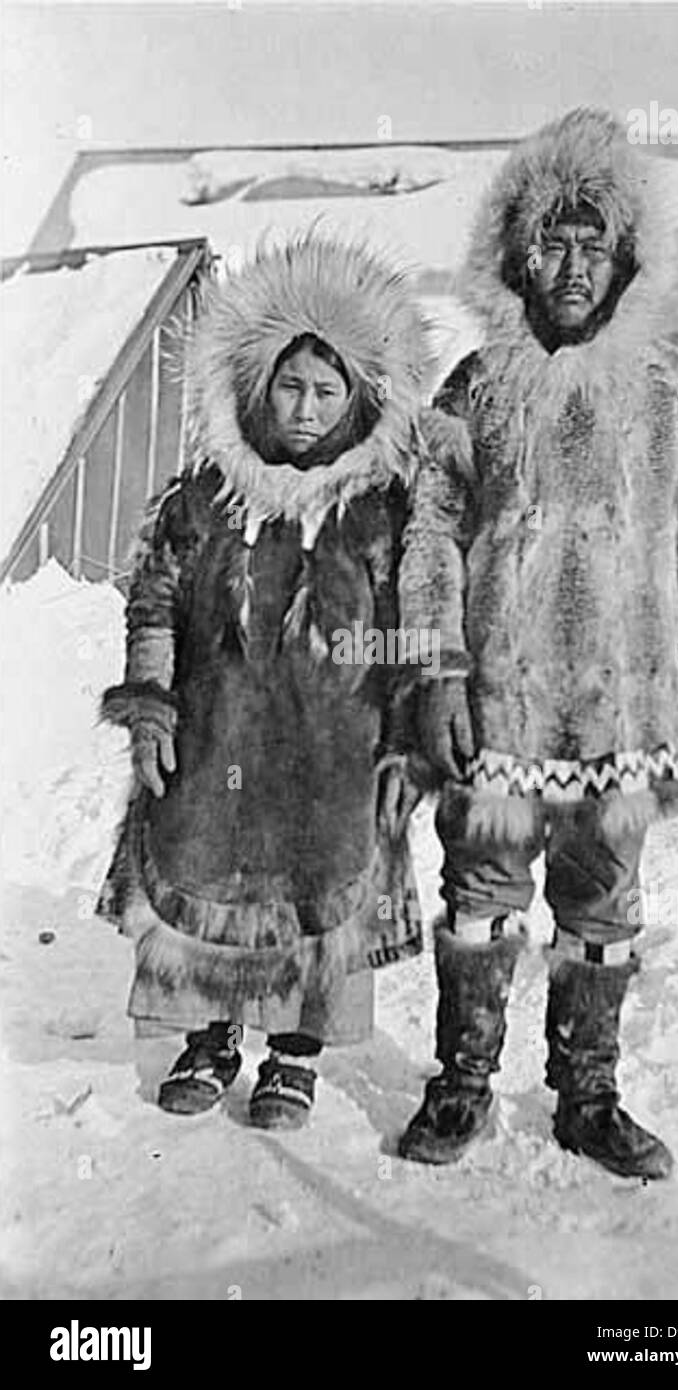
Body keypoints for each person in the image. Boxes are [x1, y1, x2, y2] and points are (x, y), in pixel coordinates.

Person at [397, 108, 678, 1177]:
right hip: (498, 703)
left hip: (622, 706)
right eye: (550, 238)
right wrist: (436, 672)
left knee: (602, 901)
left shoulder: (666, 389)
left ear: (627, 255)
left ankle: (588, 1094)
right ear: (513, 251)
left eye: (593, 240)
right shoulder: (475, 387)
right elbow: (429, 534)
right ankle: (460, 1084)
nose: (571, 262)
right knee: (480, 895)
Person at [97, 232, 432, 1128]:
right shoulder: (203, 498)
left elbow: (412, 632)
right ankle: (208, 1038)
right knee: (206, 872)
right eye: (291, 385)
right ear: (256, 387)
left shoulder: (381, 513)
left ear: (358, 401)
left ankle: (294, 1055)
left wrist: (406, 742)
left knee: (317, 892)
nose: (307, 407)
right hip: (216, 740)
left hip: (334, 752)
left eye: (327, 391)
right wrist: (151, 708)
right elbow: (156, 602)